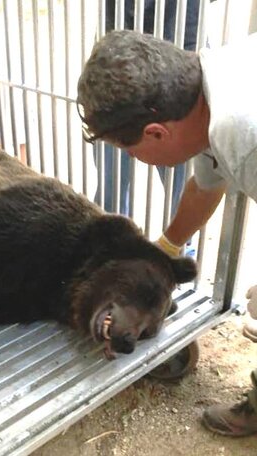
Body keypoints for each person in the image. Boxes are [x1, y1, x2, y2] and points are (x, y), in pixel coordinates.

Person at [77, 30, 257, 436]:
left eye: (130, 151)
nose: (132, 159)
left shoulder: (243, 133)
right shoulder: (209, 90)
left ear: (157, 132)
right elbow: (207, 185)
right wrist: (164, 248)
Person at [95, 0, 200, 218]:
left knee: (182, 174)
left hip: (181, 50)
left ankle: (181, 242)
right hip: (119, 58)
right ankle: (111, 234)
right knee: (111, 179)